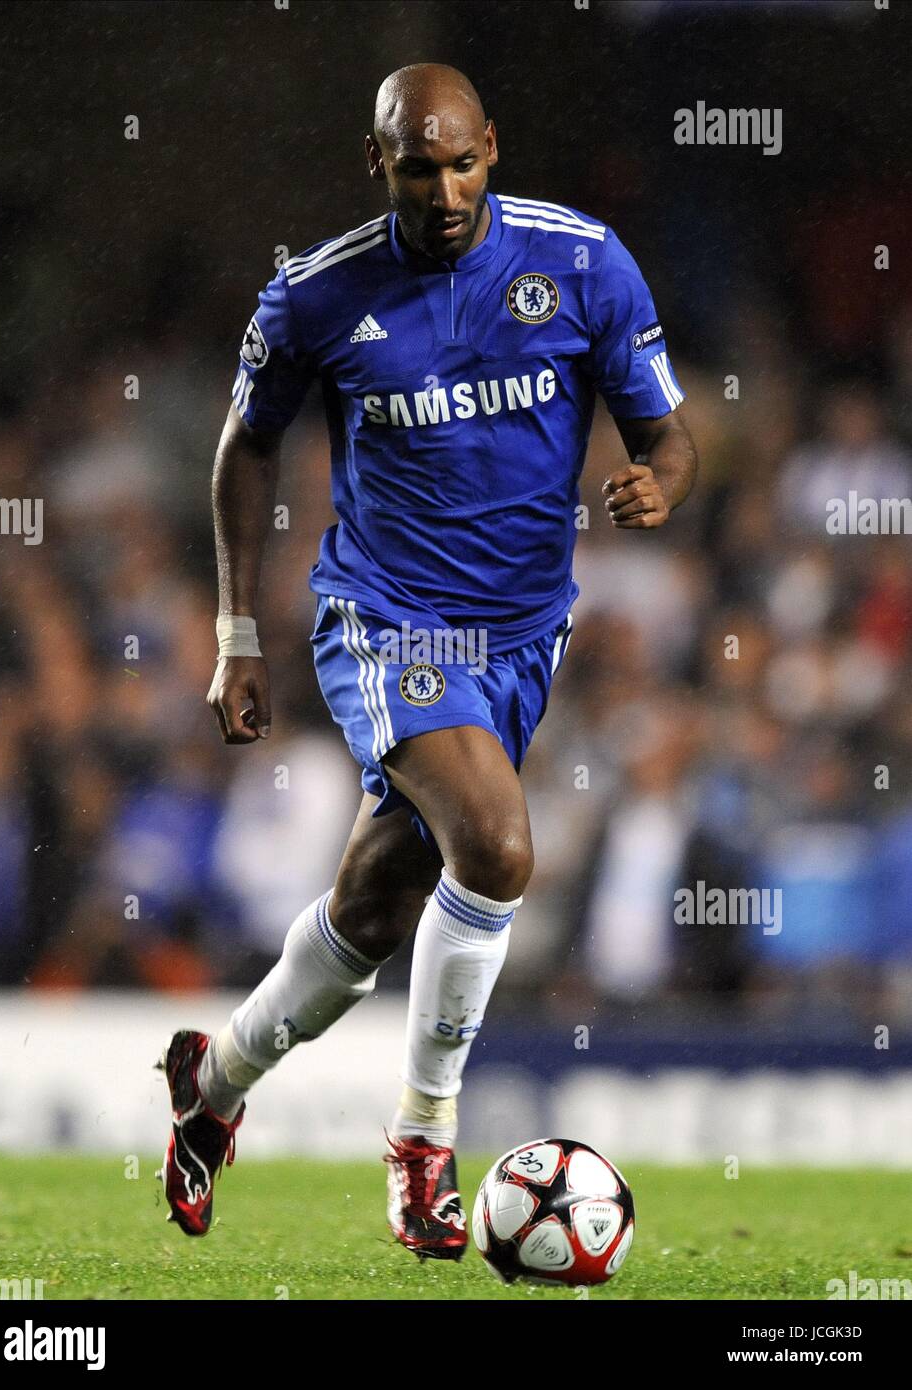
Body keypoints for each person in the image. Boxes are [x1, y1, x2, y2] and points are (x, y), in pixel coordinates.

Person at [157, 62, 697, 1260]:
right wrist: (238, 631)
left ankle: (215, 1080)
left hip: (521, 637)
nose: (444, 188)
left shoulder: (584, 262)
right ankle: (421, 1144)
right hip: (387, 618)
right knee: (498, 847)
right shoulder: (315, 293)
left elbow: (667, 432)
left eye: (461, 162)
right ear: (377, 162)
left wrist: (659, 481)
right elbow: (245, 448)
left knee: (370, 909)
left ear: (491, 148)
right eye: (417, 166)